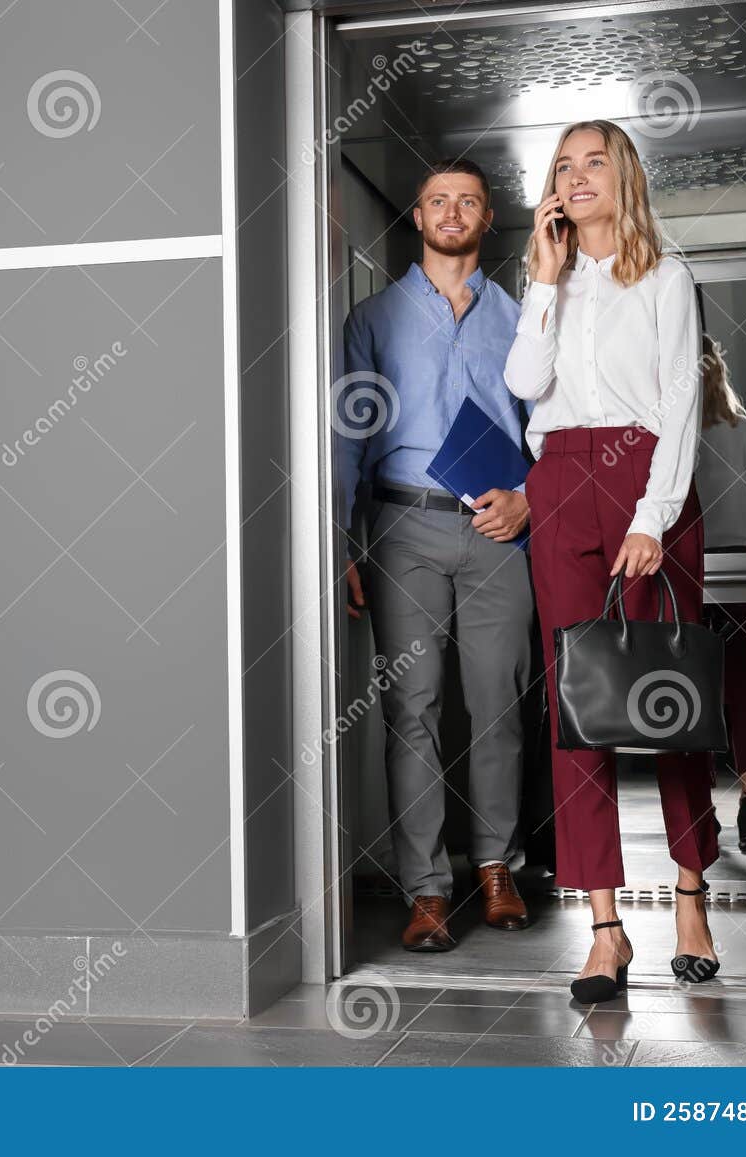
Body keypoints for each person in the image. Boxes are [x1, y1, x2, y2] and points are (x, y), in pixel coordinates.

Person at [503, 120, 721, 1003]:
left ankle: (693, 895)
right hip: (556, 480)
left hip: (643, 477)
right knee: (577, 706)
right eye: (565, 165)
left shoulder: (666, 277)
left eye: (595, 161)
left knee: (671, 694)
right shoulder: (548, 281)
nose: (578, 174)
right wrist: (544, 284)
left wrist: (653, 516)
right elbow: (524, 384)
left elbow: (681, 400)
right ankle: (603, 926)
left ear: (624, 176)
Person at [337, 158, 536, 952]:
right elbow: (345, 440)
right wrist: (344, 543)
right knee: (409, 708)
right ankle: (425, 889)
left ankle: (495, 866)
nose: (453, 212)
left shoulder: (523, 317)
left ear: (488, 220)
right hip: (401, 529)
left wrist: (529, 499)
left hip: (497, 530)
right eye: (438, 201)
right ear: (417, 218)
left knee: (499, 706)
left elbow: (547, 433)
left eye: (469, 202)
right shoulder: (372, 319)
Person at [694, 334, 746, 853]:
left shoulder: (675, 430)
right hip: (740, 559)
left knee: (693, 690)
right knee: (743, 684)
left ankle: (701, 814)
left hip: (695, 561)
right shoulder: (741, 427)